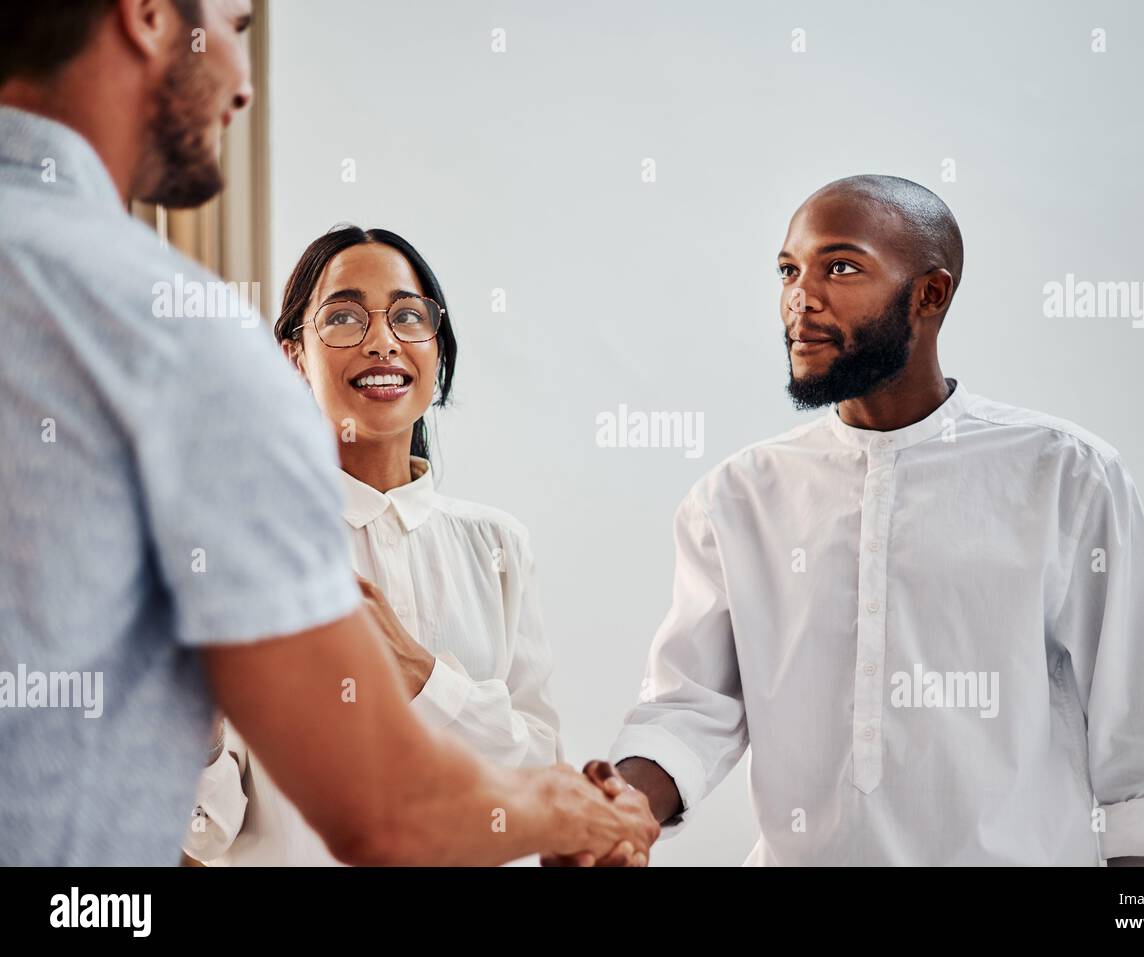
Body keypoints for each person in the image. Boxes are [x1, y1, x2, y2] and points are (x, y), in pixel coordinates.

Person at [0, 0, 655, 866]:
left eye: (409, 317)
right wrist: (587, 817)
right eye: (236, 25)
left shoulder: (496, 546)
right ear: (151, 16)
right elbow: (385, 811)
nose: (244, 82)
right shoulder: (172, 338)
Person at [584, 174, 1144, 866]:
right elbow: (690, 709)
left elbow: (1138, 758)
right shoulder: (736, 497)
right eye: (789, 269)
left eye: (839, 267)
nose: (801, 297)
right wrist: (616, 814)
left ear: (929, 294)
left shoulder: (1068, 474)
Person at [184, 226, 564, 865]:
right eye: (344, 317)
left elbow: (538, 784)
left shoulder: (499, 545)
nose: (383, 341)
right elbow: (198, 833)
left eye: (409, 316)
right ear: (293, 357)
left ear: (435, 352)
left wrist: (420, 676)